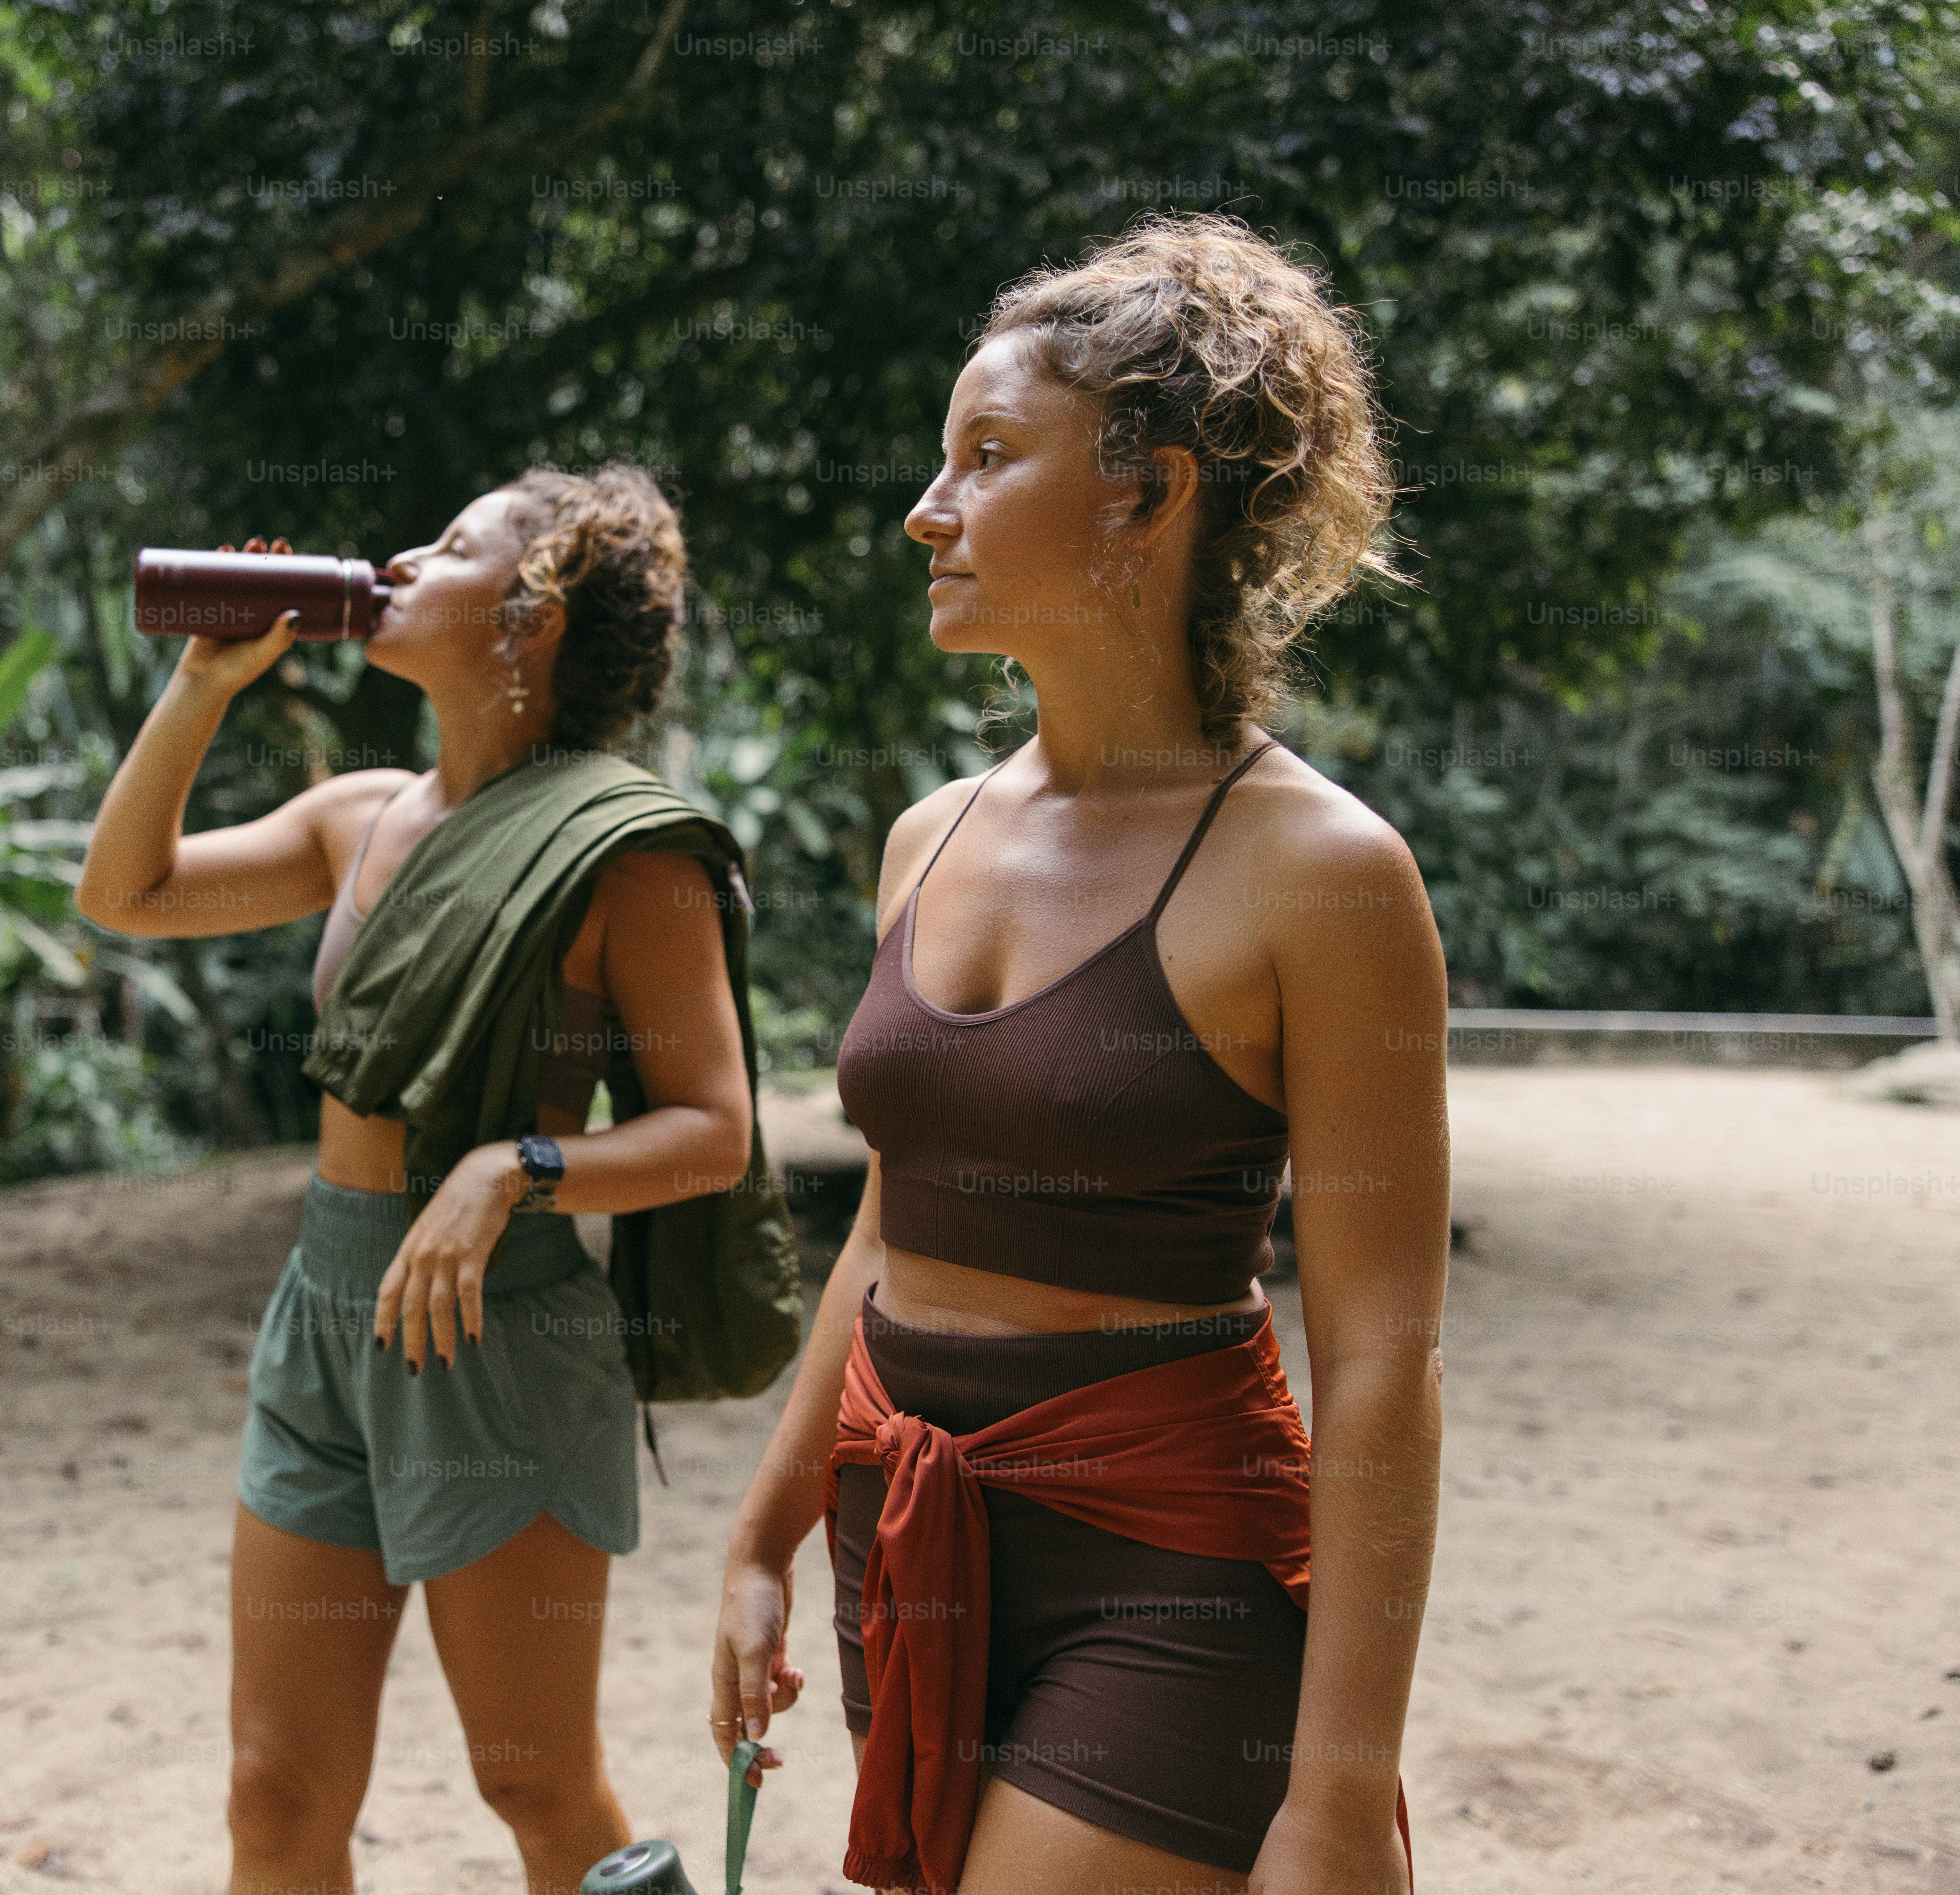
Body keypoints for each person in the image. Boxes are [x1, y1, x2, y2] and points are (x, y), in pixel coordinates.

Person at [707, 212, 1450, 1895]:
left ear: (1149, 493)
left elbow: (1384, 1363)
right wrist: (756, 1535)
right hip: (906, 1531)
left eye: (985, 458)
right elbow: (894, 1227)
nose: (927, 509)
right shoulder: (925, 835)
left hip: (1172, 1566)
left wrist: (1339, 1794)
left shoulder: (1322, 874)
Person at [78, 466, 765, 1895]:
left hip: (489, 1331)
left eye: (451, 546)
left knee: (529, 1780)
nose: (397, 557)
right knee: (272, 1791)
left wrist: (515, 1170)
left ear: (533, 616)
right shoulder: (363, 816)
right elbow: (125, 892)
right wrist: (203, 685)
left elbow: (714, 1130)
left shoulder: (620, 857)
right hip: (323, 1310)